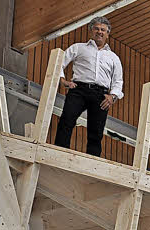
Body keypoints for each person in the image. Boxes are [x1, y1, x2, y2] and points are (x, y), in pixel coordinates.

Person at [53, 16, 124, 157]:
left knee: (96, 131)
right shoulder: (78, 47)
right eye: (96, 28)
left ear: (107, 34)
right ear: (91, 31)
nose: (99, 32)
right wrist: (63, 80)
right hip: (78, 89)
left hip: (101, 95)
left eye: (103, 30)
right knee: (67, 119)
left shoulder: (114, 57)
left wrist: (113, 96)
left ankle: (93, 160)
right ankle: (59, 153)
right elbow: (58, 63)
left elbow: (118, 81)